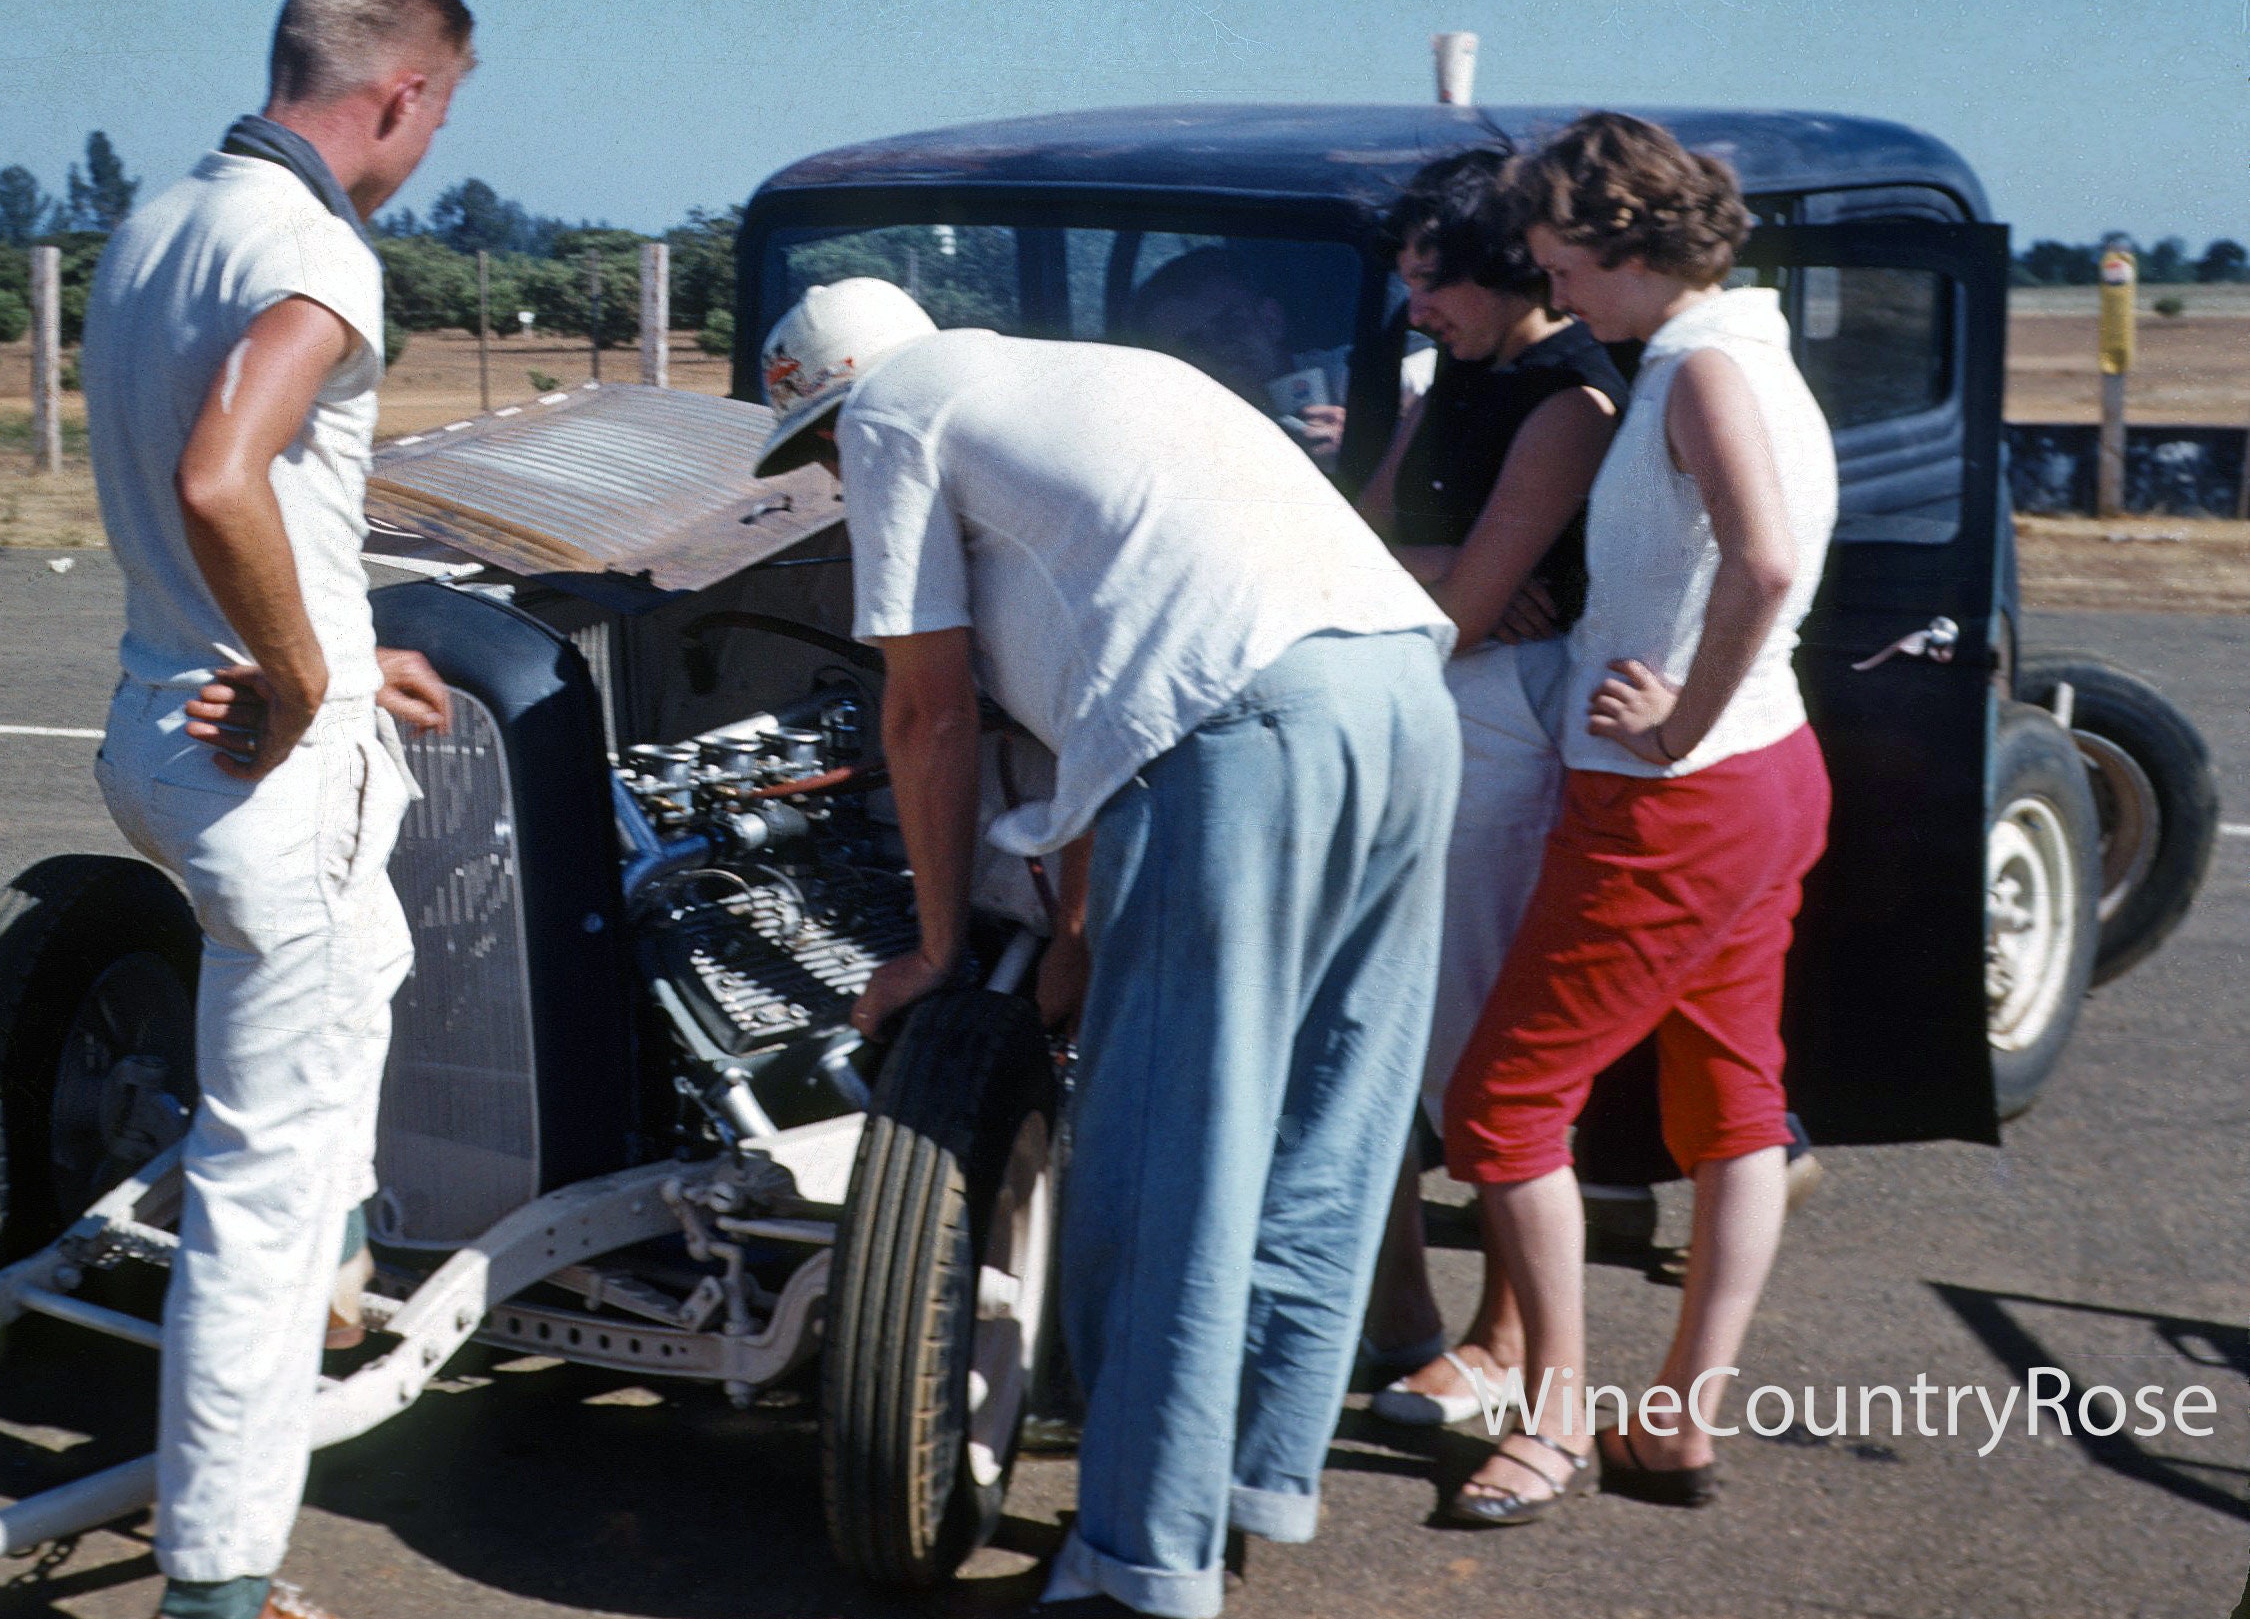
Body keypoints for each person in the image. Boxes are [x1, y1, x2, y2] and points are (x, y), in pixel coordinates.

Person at [754, 276, 1459, 1618]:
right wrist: (1075, 927)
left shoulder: (896, 413)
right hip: (1399, 699)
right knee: (1326, 1118)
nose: (832, 482)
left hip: (1245, 732)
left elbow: (927, 711)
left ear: (830, 413)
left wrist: (935, 948)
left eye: (814, 457)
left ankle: (1140, 1564)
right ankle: (1250, 1484)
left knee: (1161, 1159)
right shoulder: (1084, 380)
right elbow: (1121, 659)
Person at [82, 0, 472, 1619]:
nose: (429, 143)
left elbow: (243, 505)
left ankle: (338, 1263)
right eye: (436, 115)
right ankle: (220, 1584)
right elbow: (224, 472)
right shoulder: (317, 250)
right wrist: (311, 673)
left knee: (365, 974)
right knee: (260, 1186)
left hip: (153, 724)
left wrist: (332, 630)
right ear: (400, 92)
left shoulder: (158, 221)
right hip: (266, 764)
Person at [1435, 111, 1839, 1525]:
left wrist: (1672, 723)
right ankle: (1673, 1420)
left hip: (1675, 797)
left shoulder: (1696, 367)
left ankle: (1547, 1421)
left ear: (1625, 246)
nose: (1554, 290)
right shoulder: (1751, 350)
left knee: (1500, 1108)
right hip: (1766, 776)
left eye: (1563, 263)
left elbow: (1765, 560)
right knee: (1731, 1101)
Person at [1341, 149, 1627, 1426]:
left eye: (1434, 284)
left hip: (1506, 727)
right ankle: (1450, 1327)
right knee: (1418, 1041)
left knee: (1484, 1052)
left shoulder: (1568, 401)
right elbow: (1355, 539)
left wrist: (1425, 572)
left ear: (1509, 269)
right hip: (1429, 707)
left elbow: (1456, 613)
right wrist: (1438, 560)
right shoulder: (1453, 378)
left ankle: (1507, 1336)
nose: (1418, 311)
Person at [1127, 245, 1359, 472]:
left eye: (1230, 325)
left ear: (1271, 320)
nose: (1218, 350)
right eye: (1192, 347)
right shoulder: (1174, 443)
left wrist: (1361, 444)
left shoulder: (1355, 376)